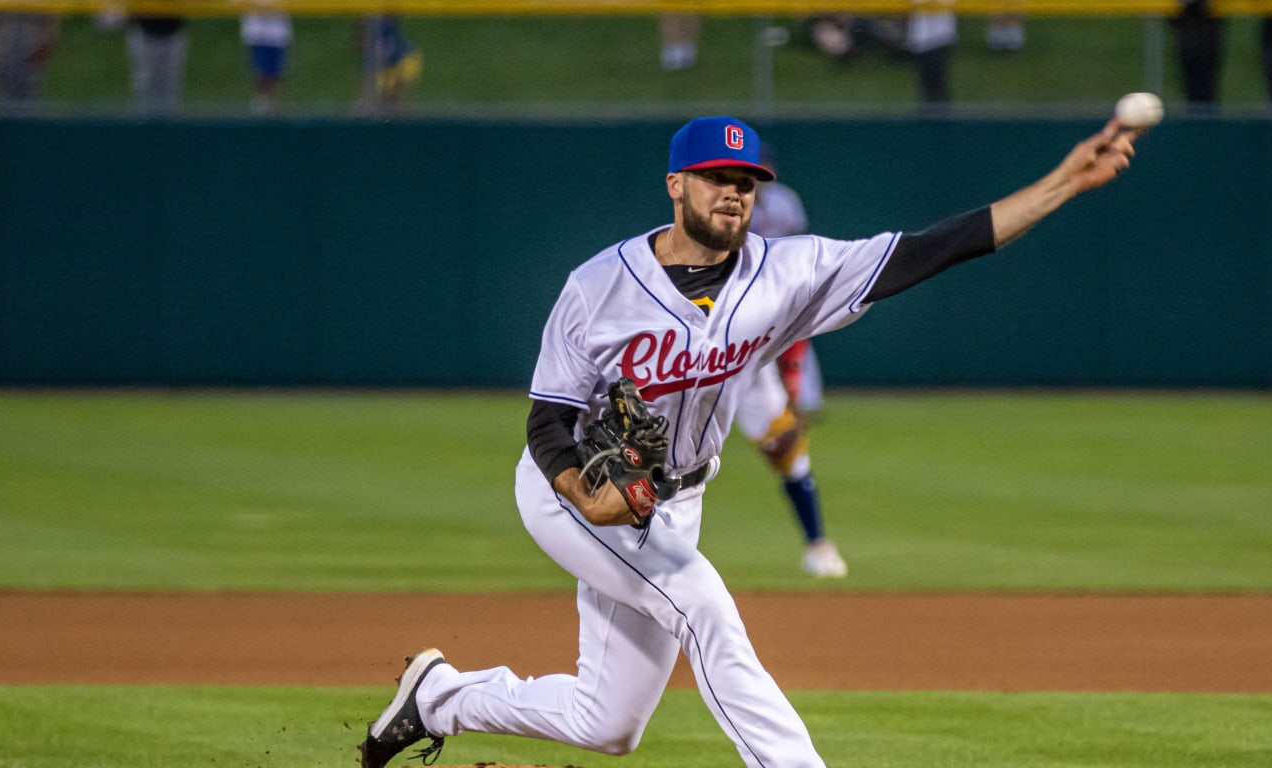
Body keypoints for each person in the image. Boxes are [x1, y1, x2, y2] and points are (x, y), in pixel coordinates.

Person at [357, 114, 1142, 768]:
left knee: (609, 724)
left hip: (677, 501)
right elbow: (546, 418)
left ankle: (438, 697)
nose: (734, 193)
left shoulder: (787, 273)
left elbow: (932, 249)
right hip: (574, 495)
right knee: (706, 610)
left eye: (745, 181)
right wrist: (581, 493)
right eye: (715, 178)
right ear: (676, 185)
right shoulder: (598, 287)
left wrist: (1065, 181)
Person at [740, 154, 844, 577]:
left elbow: (794, 331)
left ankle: (817, 544)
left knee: (789, 450)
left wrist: (795, 396)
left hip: (749, 360)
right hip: (697, 357)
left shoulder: (784, 266)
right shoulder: (703, 229)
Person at [0, 11, 60, 113]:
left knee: (29, 102)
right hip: (4, 46)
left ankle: (24, 125)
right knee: (7, 102)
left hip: (32, 44)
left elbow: (53, 13)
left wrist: (49, 39)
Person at [126, 15, 187, 116]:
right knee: (145, 84)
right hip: (144, 31)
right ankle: (145, 123)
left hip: (172, 30)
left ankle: (169, 124)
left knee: (170, 86)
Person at [1171, 0, 1223, 114]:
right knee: (1193, 84)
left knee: (1204, 84)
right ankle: (1199, 118)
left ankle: (1204, 119)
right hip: (1189, 19)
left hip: (1205, 19)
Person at [239, 5, 291, 116]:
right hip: (257, 33)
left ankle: (273, 107)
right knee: (260, 71)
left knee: (275, 73)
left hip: (277, 33)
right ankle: (262, 103)